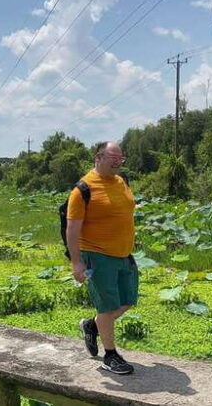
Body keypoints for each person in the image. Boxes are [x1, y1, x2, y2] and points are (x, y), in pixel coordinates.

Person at [66, 142, 138, 375]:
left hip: (124, 253)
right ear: (98, 157)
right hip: (97, 255)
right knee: (107, 307)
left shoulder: (122, 181)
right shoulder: (83, 189)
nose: (118, 162)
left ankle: (91, 325)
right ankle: (110, 355)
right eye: (113, 158)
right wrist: (76, 262)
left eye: (121, 159)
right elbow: (72, 229)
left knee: (127, 300)